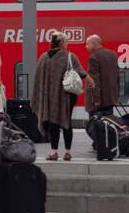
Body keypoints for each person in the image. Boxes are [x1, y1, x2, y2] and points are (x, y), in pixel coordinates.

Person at [30, 30, 87, 161]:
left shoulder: (43, 57)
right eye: (66, 41)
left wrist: (39, 96)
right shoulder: (69, 56)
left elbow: (38, 80)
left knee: (52, 124)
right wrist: (89, 80)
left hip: (48, 98)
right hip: (66, 97)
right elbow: (80, 72)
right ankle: (68, 152)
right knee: (66, 122)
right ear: (60, 42)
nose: (67, 44)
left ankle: (53, 152)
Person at [83, 34, 119, 117]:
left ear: (94, 44)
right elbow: (117, 76)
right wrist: (116, 96)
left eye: (88, 44)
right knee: (109, 124)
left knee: (96, 127)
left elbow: (94, 81)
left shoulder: (93, 57)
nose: (86, 46)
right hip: (110, 99)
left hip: (98, 102)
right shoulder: (113, 54)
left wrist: (96, 100)